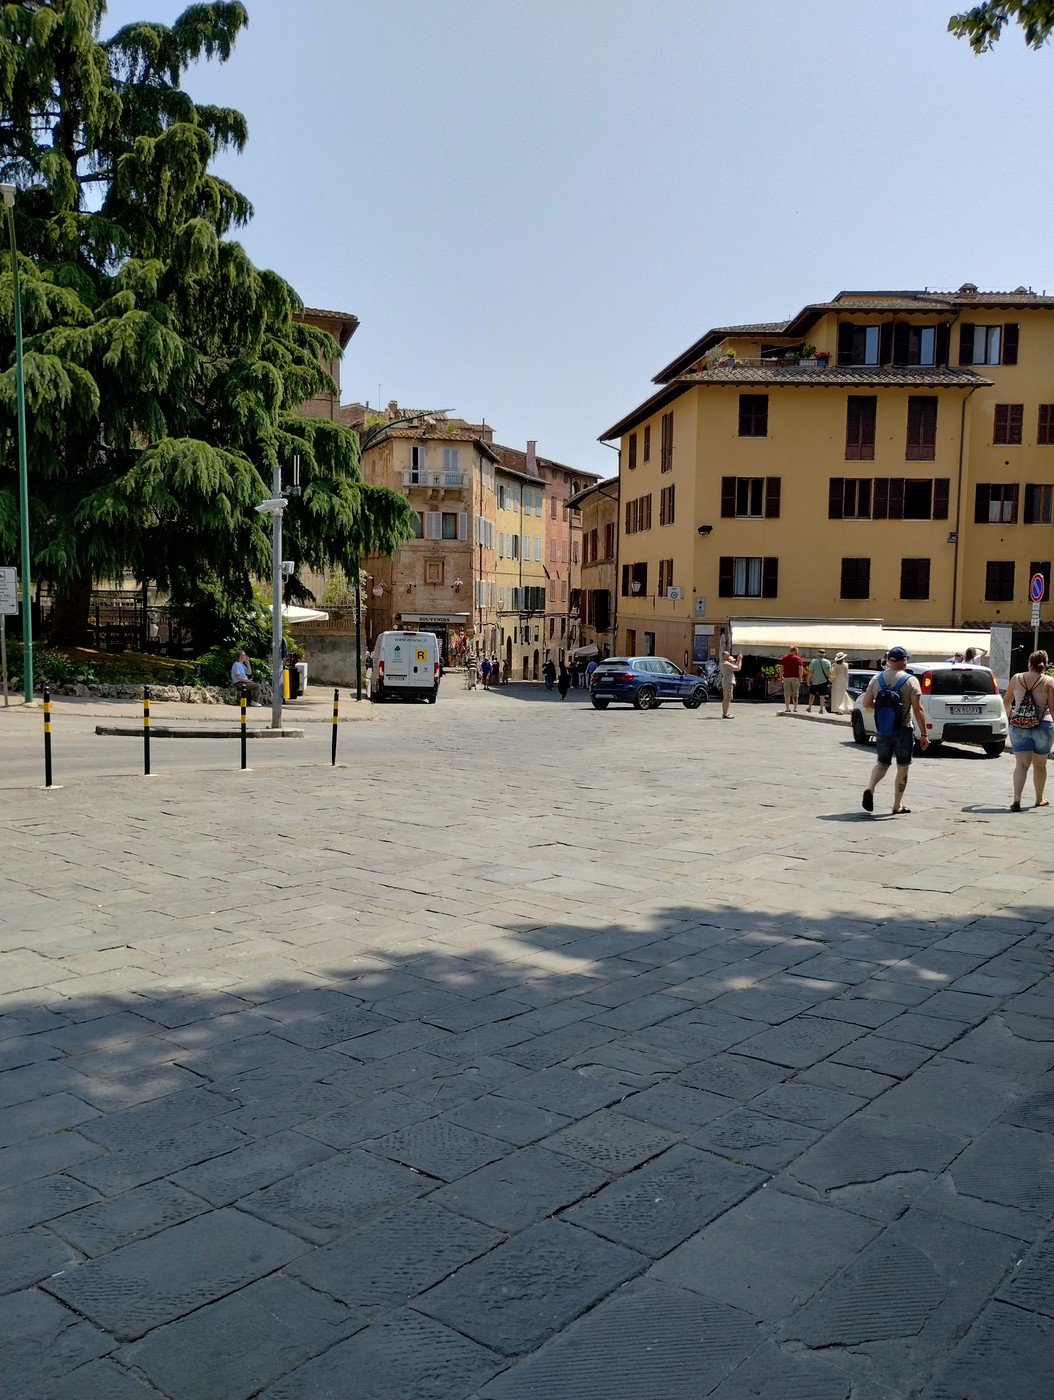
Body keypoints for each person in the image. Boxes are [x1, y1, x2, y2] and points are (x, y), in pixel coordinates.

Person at [860, 645, 928, 815]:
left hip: (883, 730)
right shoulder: (910, 680)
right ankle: (897, 805)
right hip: (904, 729)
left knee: (882, 763)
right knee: (902, 767)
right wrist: (924, 734)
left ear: (889, 660)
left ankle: (870, 788)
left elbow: (867, 704)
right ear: (903, 661)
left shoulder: (876, 679)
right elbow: (918, 708)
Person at [1004, 650, 1054, 811]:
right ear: (1045, 665)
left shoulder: (1017, 678)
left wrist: (1012, 717)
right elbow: (1052, 709)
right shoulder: (1049, 681)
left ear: (1029, 663)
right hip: (1043, 725)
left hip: (1019, 727)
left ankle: (1016, 799)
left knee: (1021, 764)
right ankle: (1039, 799)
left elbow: (1006, 702)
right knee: (1040, 765)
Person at [780, 645, 804, 713]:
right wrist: (800, 677)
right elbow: (800, 669)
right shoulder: (798, 658)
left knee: (787, 693)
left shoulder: (784, 658)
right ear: (795, 650)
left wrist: (781, 676)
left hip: (786, 677)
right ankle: (795, 708)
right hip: (795, 678)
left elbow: (781, 668)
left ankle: (787, 708)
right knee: (795, 693)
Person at [807, 649, 832, 714]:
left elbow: (810, 672)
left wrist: (808, 680)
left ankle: (809, 707)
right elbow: (829, 672)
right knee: (822, 696)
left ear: (818, 654)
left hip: (814, 681)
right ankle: (821, 709)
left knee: (812, 695)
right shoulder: (828, 662)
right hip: (823, 682)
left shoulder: (814, 662)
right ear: (824, 655)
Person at [720, 650, 742, 718]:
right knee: (727, 698)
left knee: (727, 698)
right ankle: (725, 714)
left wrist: (737, 660)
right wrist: (740, 660)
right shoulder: (726, 664)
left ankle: (725, 713)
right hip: (728, 682)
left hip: (727, 682)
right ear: (723, 656)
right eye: (727, 655)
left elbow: (734, 666)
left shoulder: (725, 663)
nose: (729, 656)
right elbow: (738, 668)